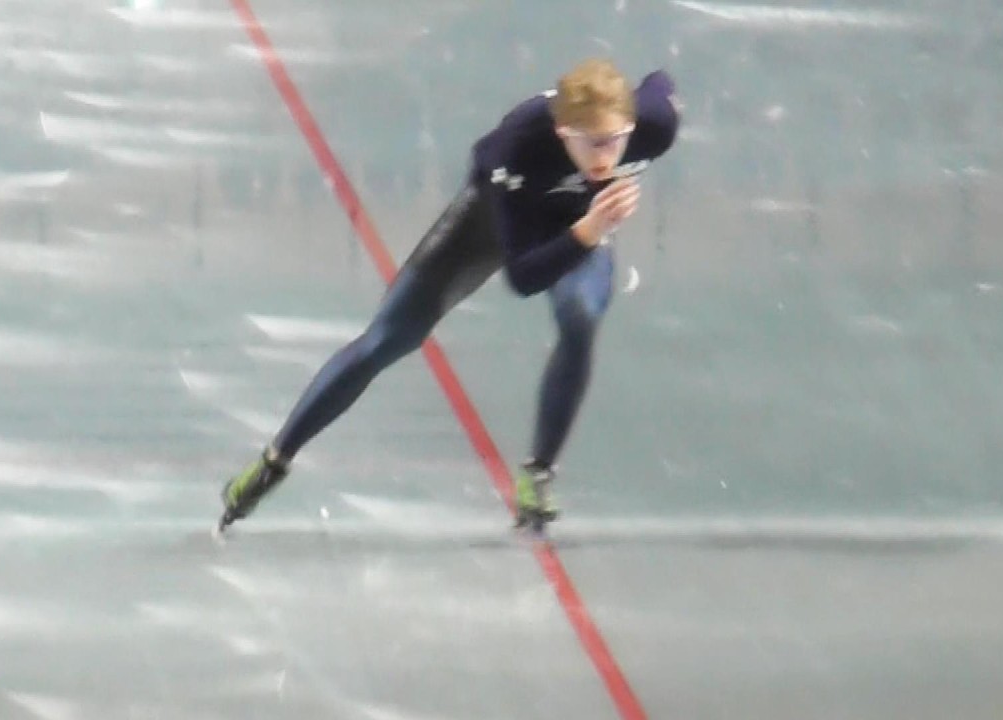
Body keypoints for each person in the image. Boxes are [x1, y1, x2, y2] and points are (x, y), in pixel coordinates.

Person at [218, 57, 681, 533]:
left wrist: (589, 224)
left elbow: (662, 82)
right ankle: (274, 460)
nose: (607, 154)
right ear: (563, 132)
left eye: (617, 139)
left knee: (580, 314)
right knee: (387, 340)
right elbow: (523, 277)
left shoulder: (655, 125)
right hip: (494, 216)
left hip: (579, 216)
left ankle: (539, 473)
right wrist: (590, 230)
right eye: (593, 143)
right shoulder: (520, 143)